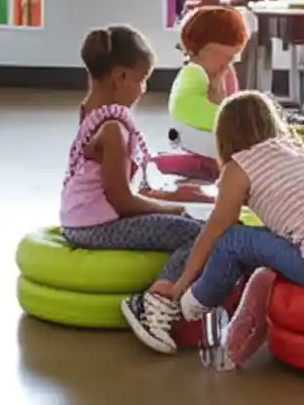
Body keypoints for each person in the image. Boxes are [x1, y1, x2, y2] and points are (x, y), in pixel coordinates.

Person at [123, 91, 304, 368]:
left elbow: (214, 232)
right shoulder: (294, 151)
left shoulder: (239, 167)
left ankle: (186, 308)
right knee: (250, 237)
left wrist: (182, 283)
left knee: (232, 239)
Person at [60, 25, 204, 308]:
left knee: (191, 221)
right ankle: (156, 302)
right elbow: (122, 201)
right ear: (120, 78)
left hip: (79, 219)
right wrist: (172, 209)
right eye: (141, 80)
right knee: (197, 234)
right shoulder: (113, 128)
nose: (143, 89)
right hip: (96, 228)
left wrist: (165, 200)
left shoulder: (90, 111)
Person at [160, 7, 249, 180]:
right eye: (227, 57)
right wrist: (229, 119)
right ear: (203, 50)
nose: (229, 63)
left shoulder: (223, 73)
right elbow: (184, 106)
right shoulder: (195, 72)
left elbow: (231, 101)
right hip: (198, 138)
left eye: (233, 57)